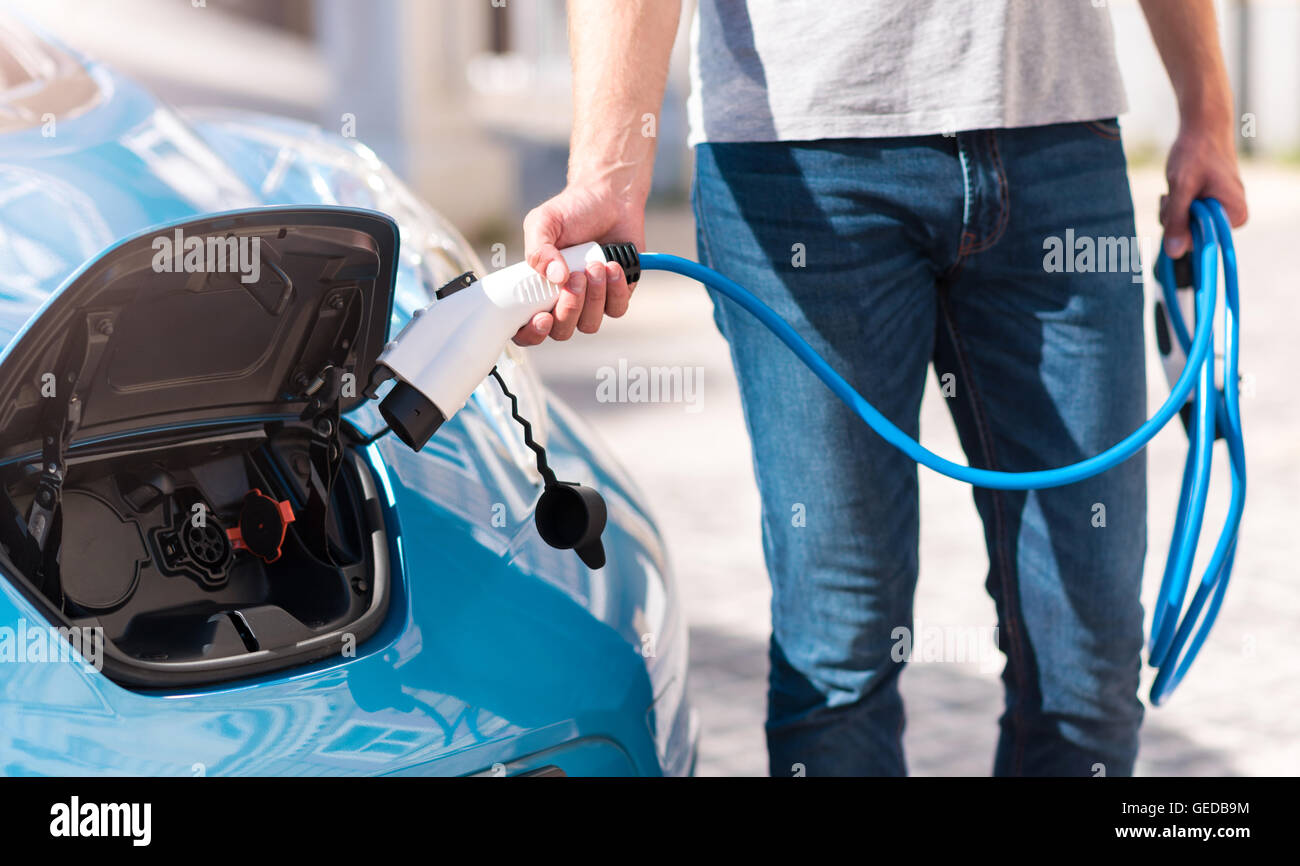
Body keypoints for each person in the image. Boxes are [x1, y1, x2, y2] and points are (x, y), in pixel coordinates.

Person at [515, 0, 1249, 776]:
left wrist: (1207, 105)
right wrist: (606, 165)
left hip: (1059, 141)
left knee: (1089, 658)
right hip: (800, 162)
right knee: (842, 653)